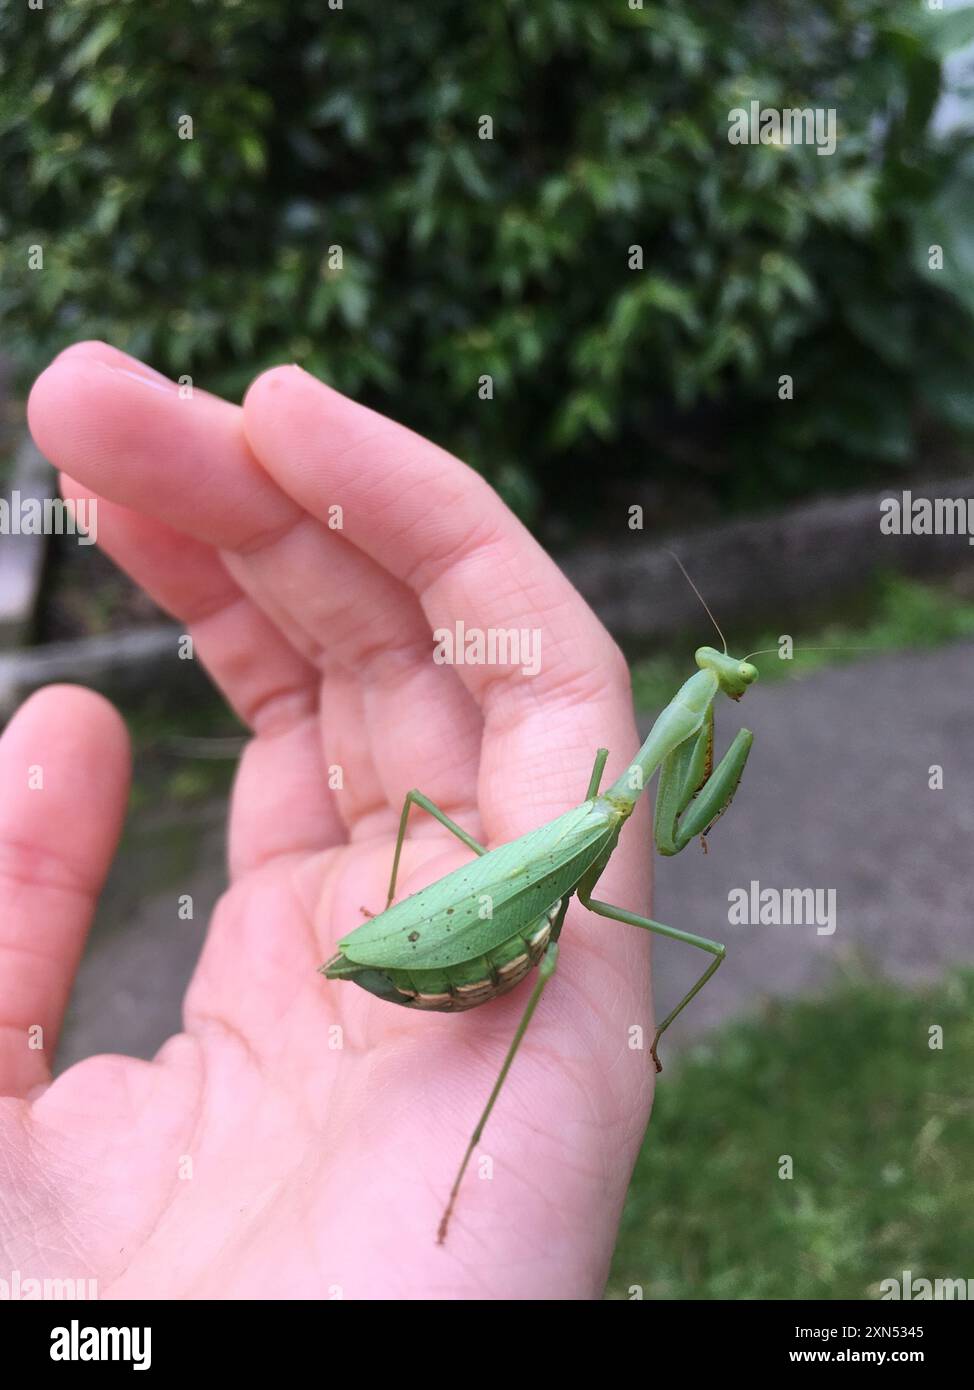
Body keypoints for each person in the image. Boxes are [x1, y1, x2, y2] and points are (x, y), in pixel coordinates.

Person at [1, 342, 653, 1298]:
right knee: (505, 874)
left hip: (493, 929)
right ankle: (452, 1127)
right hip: (476, 940)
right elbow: (647, 845)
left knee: (487, 863)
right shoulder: (608, 802)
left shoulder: (607, 793)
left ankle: (404, 973)